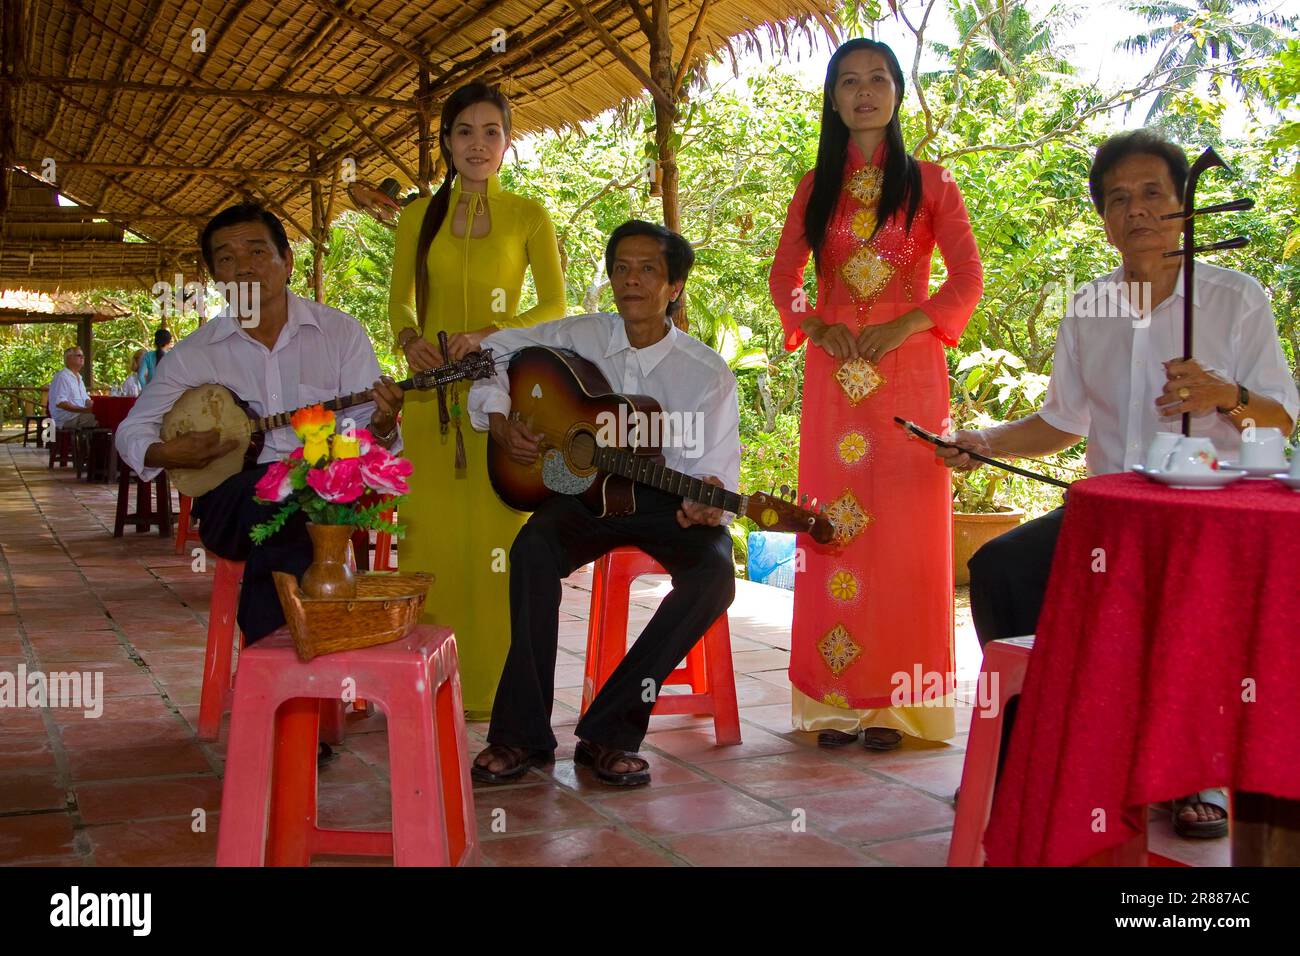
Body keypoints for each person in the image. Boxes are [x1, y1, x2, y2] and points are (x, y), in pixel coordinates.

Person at [936, 129, 1299, 838]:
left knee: (1190, 598)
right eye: (1119, 199)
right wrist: (986, 442)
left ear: (1186, 207)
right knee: (1000, 570)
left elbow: (1282, 419)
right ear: (1104, 219)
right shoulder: (1090, 307)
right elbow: (1063, 420)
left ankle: (1197, 775)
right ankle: (1035, 751)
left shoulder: (1234, 298)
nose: (1138, 210)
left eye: (1155, 194)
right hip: (1112, 520)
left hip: (1209, 516)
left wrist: (1227, 395)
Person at [466, 220, 739, 787]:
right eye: (621, 268)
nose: (631, 281)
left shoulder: (706, 372)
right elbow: (492, 349)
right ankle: (522, 735)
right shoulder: (582, 335)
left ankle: (609, 731)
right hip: (587, 498)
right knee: (533, 549)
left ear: (674, 286)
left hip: (667, 501)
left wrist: (705, 501)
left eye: (648, 270)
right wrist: (497, 420)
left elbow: (715, 466)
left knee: (715, 572)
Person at [768, 38, 983, 751]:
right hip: (835, 379)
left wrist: (909, 325)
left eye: (878, 79)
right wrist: (813, 325)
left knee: (905, 533)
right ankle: (835, 705)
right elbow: (785, 277)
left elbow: (966, 282)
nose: (865, 91)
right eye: (849, 81)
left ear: (897, 91)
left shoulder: (932, 182)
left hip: (911, 373)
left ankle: (898, 705)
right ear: (832, 99)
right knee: (833, 530)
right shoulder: (813, 186)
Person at [116, 203, 405, 642]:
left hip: (321, 489)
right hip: (234, 503)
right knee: (291, 507)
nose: (244, 268)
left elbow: (368, 434)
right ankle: (303, 673)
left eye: (256, 252)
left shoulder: (340, 334)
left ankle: (272, 661)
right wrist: (165, 452)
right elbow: (132, 429)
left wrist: (382, 423)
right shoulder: (198, 352)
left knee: (297, 518)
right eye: (227, 259)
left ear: (286, 261)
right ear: (216, 276)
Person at [387, 81, 565, 718]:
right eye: (465, 131)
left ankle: (497, 692)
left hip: (499, 398)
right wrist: (410, 338)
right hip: (429, 403)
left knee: (502, 544)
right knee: (429, 539)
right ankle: (423, 686)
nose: (479, 144)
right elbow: (399, 303)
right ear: (446, 142)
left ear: (508, 141)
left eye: (492, 132)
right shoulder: (417, 216)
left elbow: (554, 306)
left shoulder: (528, 215)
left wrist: (493, 333)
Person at [48, 346, 98, 430]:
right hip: (66, 419)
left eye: (83, 356)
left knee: (103, 415)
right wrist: (82, 410)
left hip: (78, 415)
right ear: (69, 359)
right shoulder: (62, 377)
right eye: (79, 355)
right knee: (97, 418)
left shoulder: (79, 377)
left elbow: (85, 399)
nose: (82, 357)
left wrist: (90, 403)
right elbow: (61, 403)